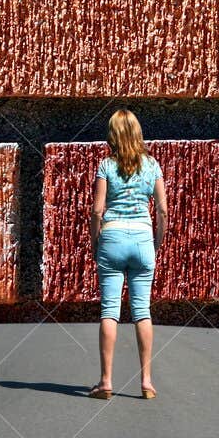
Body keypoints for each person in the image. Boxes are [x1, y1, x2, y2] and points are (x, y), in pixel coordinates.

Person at [89, 109, 167, 399]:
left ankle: (106, 381)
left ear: (113, 135)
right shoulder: (153, 166)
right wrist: (156, 241)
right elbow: (162, 210)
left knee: (110, 311)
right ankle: (146, 381)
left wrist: (95, 242)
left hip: (112, 237)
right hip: (143, 239)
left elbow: (97, 210)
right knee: (142, 312)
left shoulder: (106, 166)